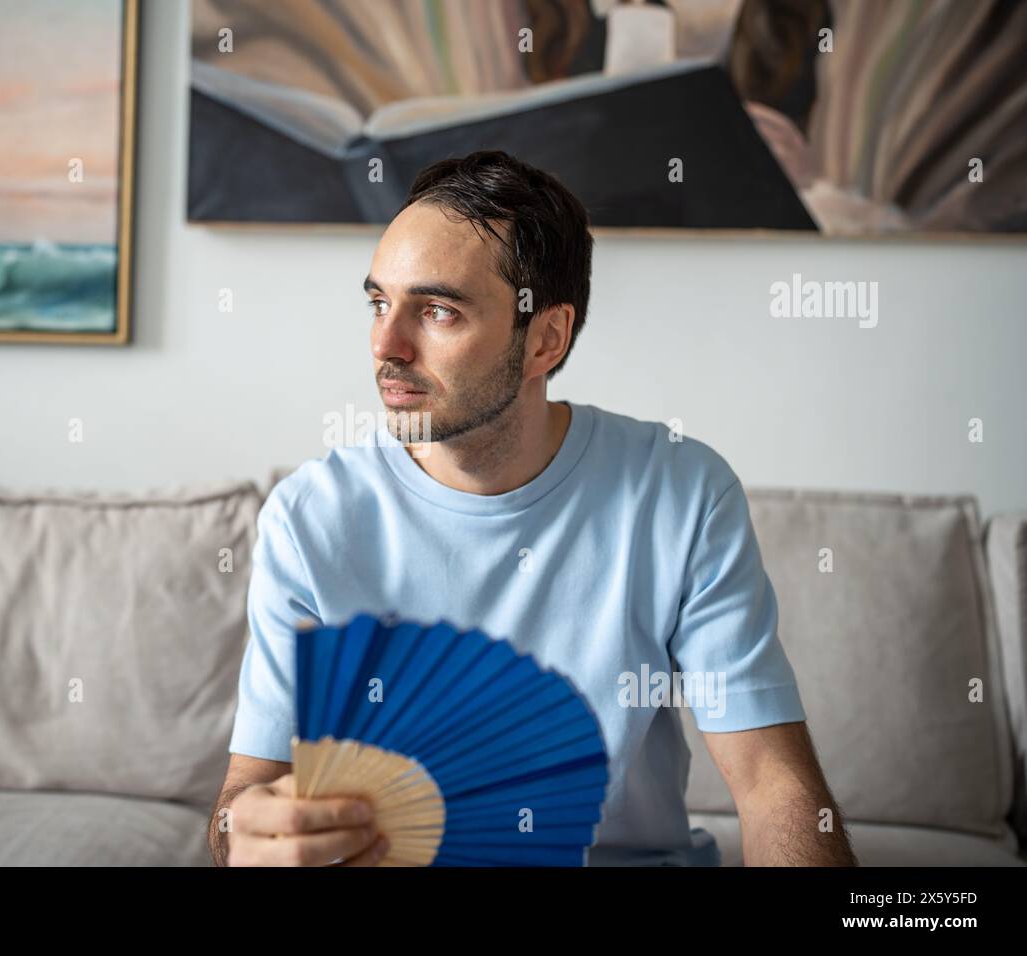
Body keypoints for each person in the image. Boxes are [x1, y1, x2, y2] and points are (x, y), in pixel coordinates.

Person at [208, 149, 856, 867]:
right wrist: (251, 837)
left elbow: (774, 786)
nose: (385, 347)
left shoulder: (680, 493)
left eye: (437, 311)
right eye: (378, 303)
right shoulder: (310, 518)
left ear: (544, 337)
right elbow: (245, 801)